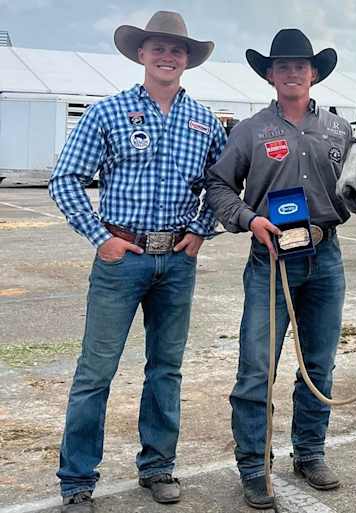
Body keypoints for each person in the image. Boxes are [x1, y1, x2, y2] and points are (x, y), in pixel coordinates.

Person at [205, 28, 356, 509]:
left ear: (314, 74)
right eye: (283, 66)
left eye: (301, 66)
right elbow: (218, 186)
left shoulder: (338, 130)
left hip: (325, 257)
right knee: (256, 368)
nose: (293, 73)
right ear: (270, 75)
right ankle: (254, 465)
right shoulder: (249, 130)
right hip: (270, 259)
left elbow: (351, 191)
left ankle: (309, 453)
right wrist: (249, 219)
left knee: (319, 365)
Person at [47, 11, 225, 512]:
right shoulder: (108, 113)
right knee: (95, 372)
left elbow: (221, 186)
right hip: (121, 259)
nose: (167, 56)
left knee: (166, 370)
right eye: (158, 48)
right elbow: (65, 179)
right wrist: (99, 237)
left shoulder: (206, 122)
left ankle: (157, 466)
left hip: (176, 262)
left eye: (177, 50)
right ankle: (77, 478)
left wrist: (200, 231)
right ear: (141, 54)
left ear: (187, 60)